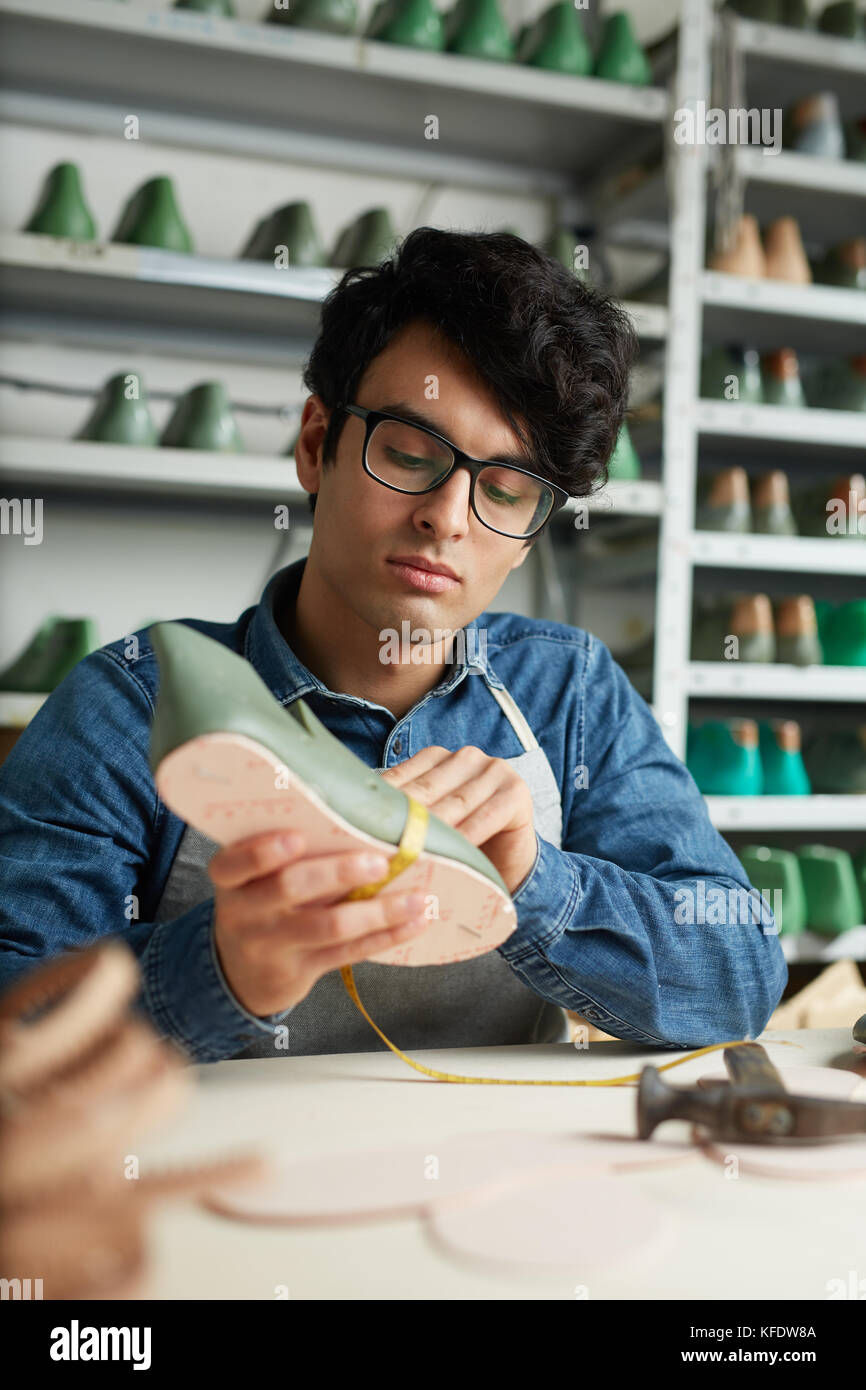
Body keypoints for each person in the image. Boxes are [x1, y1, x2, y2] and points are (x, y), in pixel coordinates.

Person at [0, 229, 787, 1062]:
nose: (446, 518)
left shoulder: (570, 693)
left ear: (528, 536)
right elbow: (16, 1002)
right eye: (410, 454)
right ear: (316, 444)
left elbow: (740, 974)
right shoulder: (131, 703)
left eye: (508, 490)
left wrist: (535, 882)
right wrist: (219, 970)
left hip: (505, 1182)